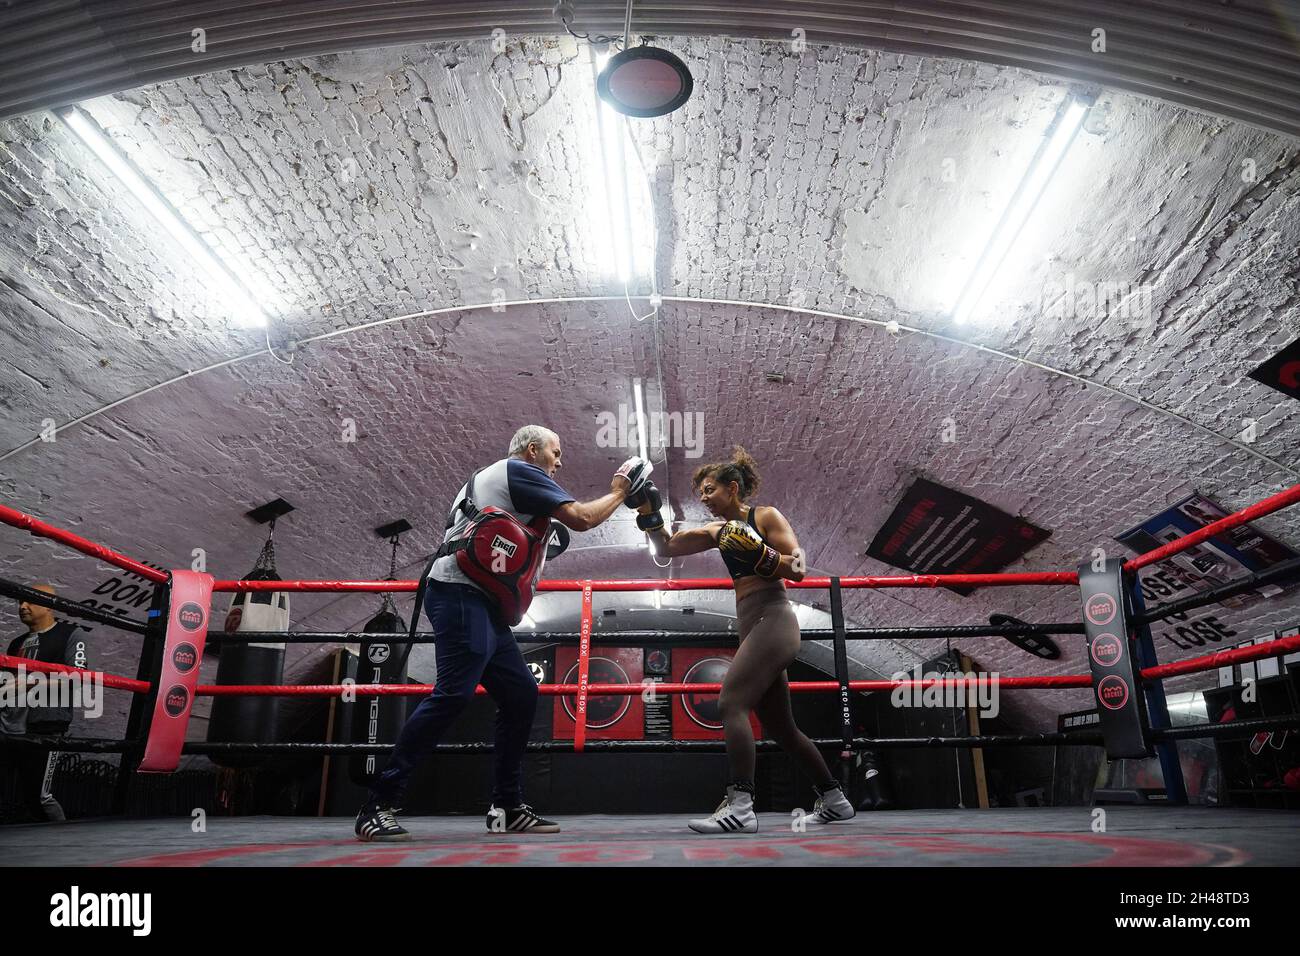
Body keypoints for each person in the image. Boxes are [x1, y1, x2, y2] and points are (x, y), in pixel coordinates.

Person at [355, 425, 651, 841]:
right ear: (533, 450)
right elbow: (583, 519)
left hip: (481, 603)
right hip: (460, 593)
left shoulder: (501, 482)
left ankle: (507, 806)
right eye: (556, 452)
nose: (559, 461)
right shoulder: (520, 470)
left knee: (520, 694)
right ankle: (378, 804)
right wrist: (621, 489)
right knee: (455, 692)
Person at [629, 446, 855, 833]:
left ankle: (741, 806)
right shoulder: (718, 531)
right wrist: (649, 512)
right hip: (752, 625)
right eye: (700, 491)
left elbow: (798, 567)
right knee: (783, 729)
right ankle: (835, 799)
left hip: (775, 618)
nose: (703, 497)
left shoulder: (764, 516)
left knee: (731, 701)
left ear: (733, 488)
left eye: (709, 489)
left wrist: (762, 556)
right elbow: (665, 548)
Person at [2, 585, 88, 823]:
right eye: (19, 602)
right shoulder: (17, 642)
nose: (22, 607)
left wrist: (29, 683)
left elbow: (78, 678)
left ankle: (62, 849)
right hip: (10, 726)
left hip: (45, 725)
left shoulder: (71, 633)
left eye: (28, 602)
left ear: (49, 604)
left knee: (41, 796)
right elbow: (7, 684)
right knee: (17, 795)